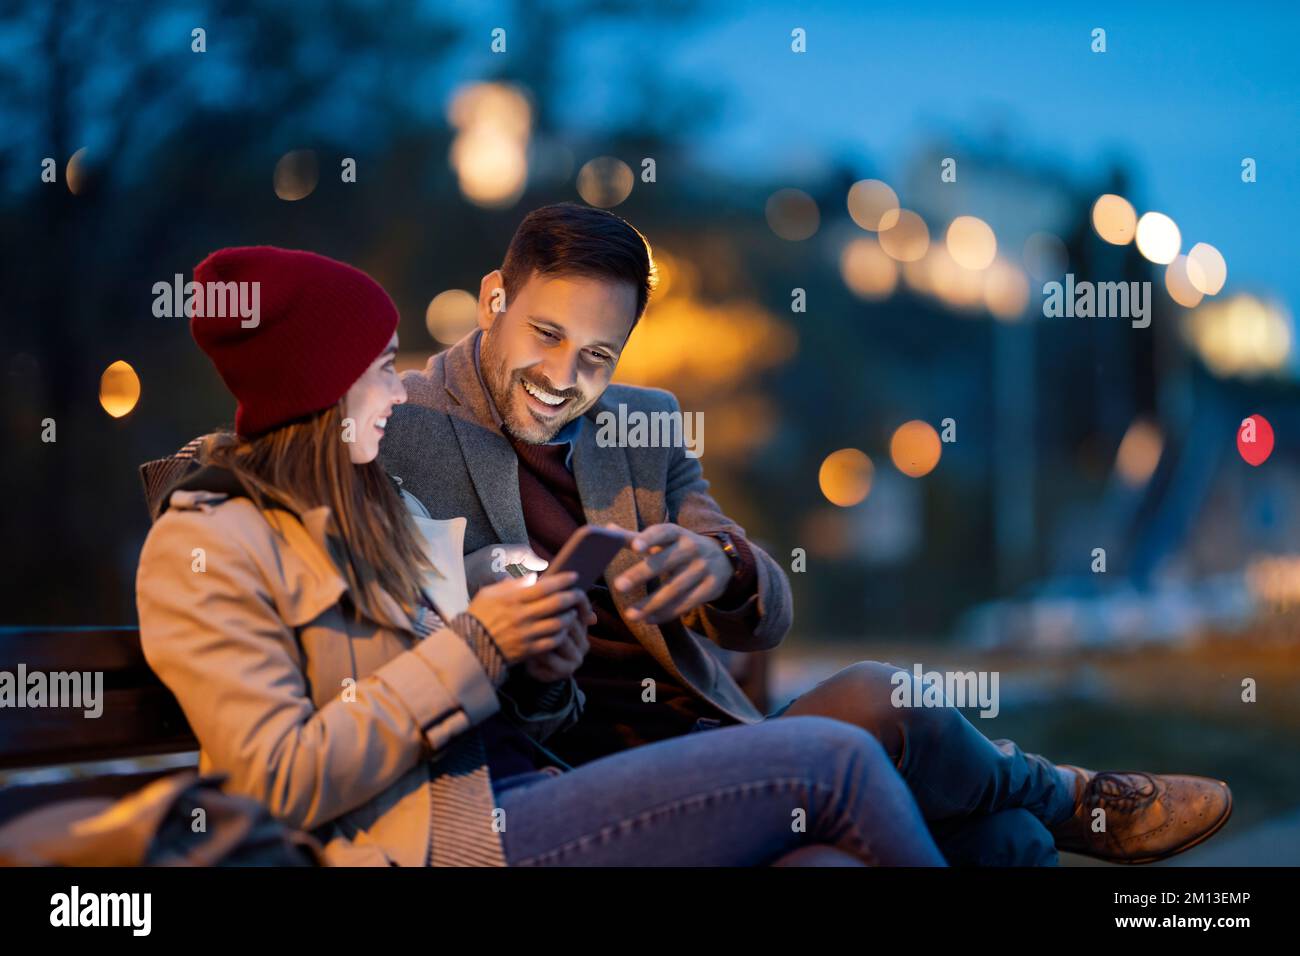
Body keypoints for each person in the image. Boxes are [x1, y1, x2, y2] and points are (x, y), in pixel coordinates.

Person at [381, 203, 1234, 866]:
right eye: (547, 335)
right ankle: (1074, 798)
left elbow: (768, 613)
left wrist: (719, 570)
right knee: (946, 804)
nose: (566, 380)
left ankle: (1067, 801)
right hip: (559, 783)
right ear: (495, 300)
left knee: (968, 790)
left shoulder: (644, 423)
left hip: (714, 743)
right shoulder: (404, 429)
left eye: (599, 356)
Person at [135, 245, 946, 867]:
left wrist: (541, 669)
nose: (396, 391)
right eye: (378, 371)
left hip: (526, 787)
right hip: (435, 839)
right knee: (833, 759)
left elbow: (504, 707)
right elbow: (274, 782)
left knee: (828, 856)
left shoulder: (389, 510)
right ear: (317, 391)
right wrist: (476, 645)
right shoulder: (205, 542)